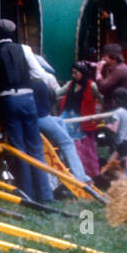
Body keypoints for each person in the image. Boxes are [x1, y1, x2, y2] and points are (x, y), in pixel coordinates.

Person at [0, 19, 54, 203]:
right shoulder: (25, 49)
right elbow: (40, 75)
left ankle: (27, 195)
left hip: (7, 101)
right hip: (27, 99)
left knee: (19, 148)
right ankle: (46, 194)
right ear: (13, 35)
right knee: (36, 147)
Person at [29, 56, 88, 188]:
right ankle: (80, 178)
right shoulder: (41, 83)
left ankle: (64, 162)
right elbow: (48, 104)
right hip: (42, 117)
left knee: (60, 122)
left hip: (33, 118)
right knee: (67, 142)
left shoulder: (24, 82)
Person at [59, 61, 102, 180]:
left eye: (76, 73)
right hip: (67, 119)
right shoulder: (70, 84)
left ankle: (85, 174)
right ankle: (67, 172)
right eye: (72, 73)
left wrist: (100, 113)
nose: (73, 75)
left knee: (82, 148)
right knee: (65, 144)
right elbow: (58, 92)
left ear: (82, 73)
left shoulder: (91, 85)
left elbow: (101, 98)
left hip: (82, 120)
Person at [99, 88, 127, 183]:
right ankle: (103, 177)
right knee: (112, 160)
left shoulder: (118, 112)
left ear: (116, 99)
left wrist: (107, 125)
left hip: (123, 141)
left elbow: (114, 129)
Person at [97, 44, 127, 111]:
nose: (103, 59)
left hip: (116, 110)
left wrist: (98, 71)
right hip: (124, 108)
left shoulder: (119, 71)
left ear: (114, 58)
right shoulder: (126, 69)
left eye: (105, 56)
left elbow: (102, 88)